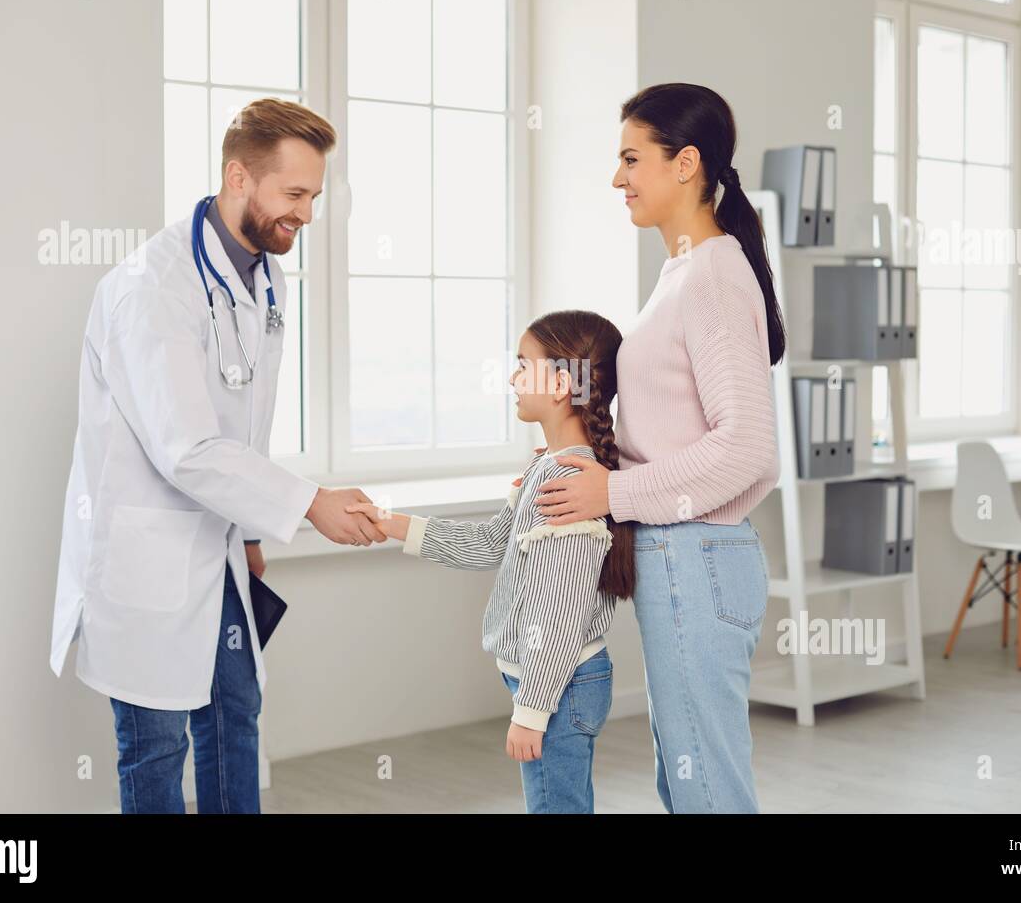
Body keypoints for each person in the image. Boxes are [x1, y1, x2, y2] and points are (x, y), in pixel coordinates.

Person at [49, 98, 387, 814]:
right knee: (156, 745)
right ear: (240, 176)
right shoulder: (152, 289)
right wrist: (308, 504)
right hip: (147, 558)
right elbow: (190, 448)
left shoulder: (265, 276)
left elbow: (245, 418)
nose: (307, 214)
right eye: (295, 194)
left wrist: (256, 531)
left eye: (315, 197)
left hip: (222, 544)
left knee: (236, 717)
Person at [527, 83, 787, 813]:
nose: (619, 178)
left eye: (632, 158)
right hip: (684, 559)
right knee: (687, 781)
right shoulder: (684, 272)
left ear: (687, 164)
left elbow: (747, 450)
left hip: (696, 559)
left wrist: (609, 493)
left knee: (704, 785)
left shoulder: (710, 275)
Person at [348, 311, 635, 813]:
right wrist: (391, 524)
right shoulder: (551, 465)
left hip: (559, 685)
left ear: (563, 384)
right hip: (554, 682)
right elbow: (488, 545)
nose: (512, 378)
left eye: (524, 365)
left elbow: (560, 617)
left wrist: (532, 710)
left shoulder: (568, 481)